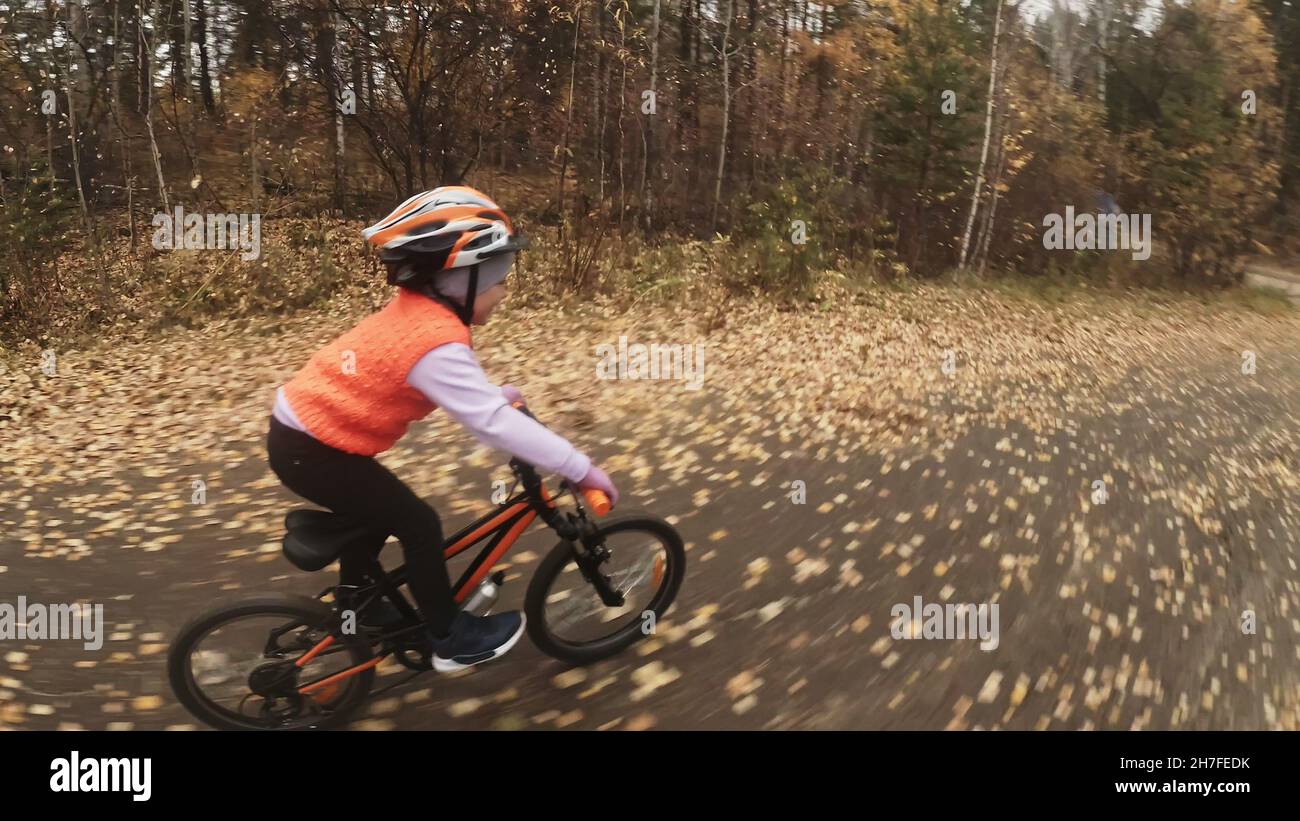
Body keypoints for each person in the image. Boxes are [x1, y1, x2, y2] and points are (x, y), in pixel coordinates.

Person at [266, 186, 619, 672]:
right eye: (497, 280)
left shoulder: (420, 315)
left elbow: (468, 398)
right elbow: (488, 422)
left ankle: (356, 606)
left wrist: (495, 400)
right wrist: (580, 468)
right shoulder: (434, 342)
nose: (503, 292)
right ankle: (449, 636)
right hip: (314, 449)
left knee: (378, 513)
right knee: (417, 523)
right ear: (461, 280)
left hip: (305, 436)